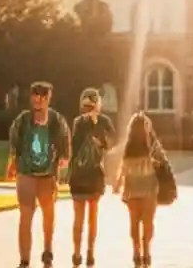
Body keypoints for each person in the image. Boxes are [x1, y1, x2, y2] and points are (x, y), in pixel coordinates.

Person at [7, 81, 72, 268]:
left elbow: (65, 140)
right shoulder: (23, 120)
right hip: (26, 172)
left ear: (48, 98)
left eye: (43, 96)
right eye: (35, 95)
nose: (39, 100)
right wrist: (12, 162)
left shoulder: (56, 120)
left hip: (47, 174)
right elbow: (14, 141)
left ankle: (47, 250)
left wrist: (64, 158)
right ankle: (24, 259)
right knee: (25, 215)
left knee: (48, 213)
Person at [114, 112, 169, 267]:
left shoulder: (128, 148)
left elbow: (123, 167)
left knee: (134, 223)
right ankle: (146, 252)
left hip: (132, 191)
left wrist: (118, 183)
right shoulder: (151, 145)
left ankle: (136, 252)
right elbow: (162, 163)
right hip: (149, 190)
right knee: (148, 223)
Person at [68, 88, 116, 267]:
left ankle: (86, 252)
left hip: (91, 174)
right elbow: (76, 144)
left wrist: (98, 134)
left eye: (90, 106)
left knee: (88, 217)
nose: (88, 109)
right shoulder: (82, 122)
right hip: (86, 174)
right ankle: (81, 252)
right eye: (87, 106)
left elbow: (111, 143)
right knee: (83, 217)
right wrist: (93, 127)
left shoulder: (100, 121)